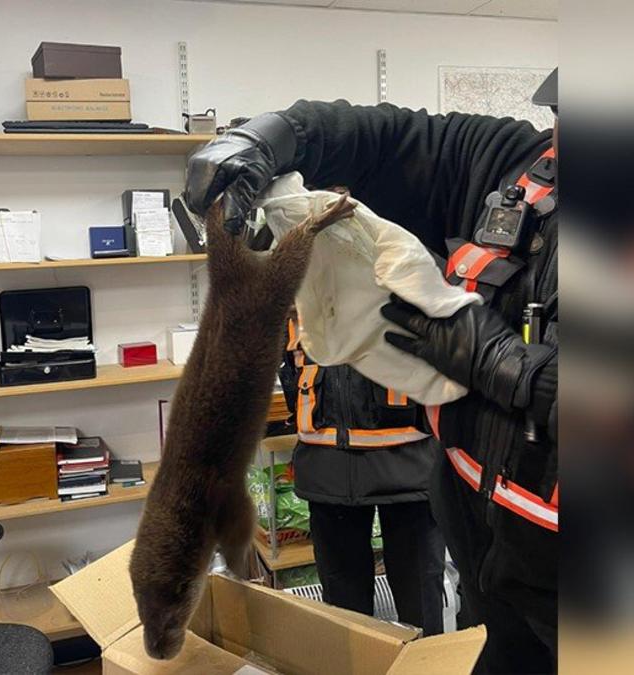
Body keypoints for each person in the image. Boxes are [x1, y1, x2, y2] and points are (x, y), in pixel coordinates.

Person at [184, 70, 559, 674]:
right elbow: (389, 139)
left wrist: (508, 366)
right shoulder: (521, 164)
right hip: (483, 534)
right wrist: (270, 138)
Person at [278, 311, 448, 635]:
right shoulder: (298, 286)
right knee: (346, 627)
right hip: (327, 468)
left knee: (422, 615)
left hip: (410, 465)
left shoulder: (416, 277)